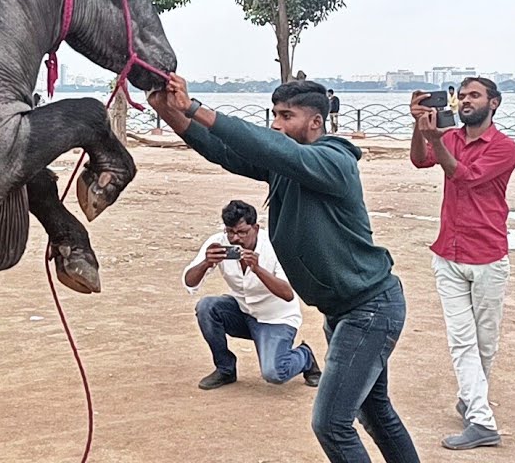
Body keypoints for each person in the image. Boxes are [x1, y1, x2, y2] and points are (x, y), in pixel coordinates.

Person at [150, 75, 419, 463]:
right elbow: (223, 149)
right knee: (375, 412)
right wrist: (167, 109)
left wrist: (193, 107)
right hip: (345, 312)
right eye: (273, 114)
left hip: (370, 309)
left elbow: (267, 145)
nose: (276, 124)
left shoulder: (334, 161)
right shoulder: (284, 165)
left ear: (316, 122)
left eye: (286, 116)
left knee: (331, 424)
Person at [410, 78, 515, 450]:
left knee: (484, 343)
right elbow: (420, 159)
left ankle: (472, 400)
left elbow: (466, 177)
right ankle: (482, 421)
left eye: (475, 95)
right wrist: (418, 126)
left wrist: (437, 140)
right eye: (463, 95)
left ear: (494, 103)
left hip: (487, 256)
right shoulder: (451, 137)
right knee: (462, 342)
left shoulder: (504, 147)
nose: (466, 101)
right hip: (448, 254)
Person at [184, 199, 322, 391]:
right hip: (243, 311)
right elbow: (189, 282)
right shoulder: (219, 243)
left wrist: (257, 269)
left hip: (275, 318)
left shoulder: (275, 245)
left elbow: (287, 294)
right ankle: (225, 369)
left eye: (242, 232)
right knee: (206, 307)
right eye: (230, 232)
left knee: (274, 373)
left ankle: (305, 356)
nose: (236, 239)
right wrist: (206, 263)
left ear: (255, 228)